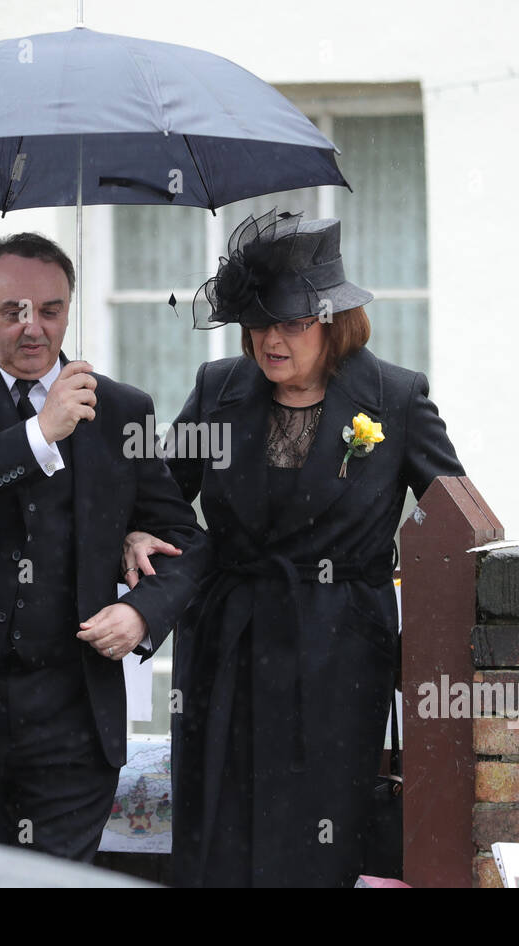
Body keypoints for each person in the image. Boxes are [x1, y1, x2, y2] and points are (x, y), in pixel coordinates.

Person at [126, 210, 466, 887]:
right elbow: (162, 493)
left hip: (337, 648)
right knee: (217, 826)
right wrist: (137, 527)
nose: (269, 339)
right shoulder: (217, 388)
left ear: (333, 323)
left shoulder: (395, 399)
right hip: (228, 640)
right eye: (257, 322)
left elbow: (457, 520)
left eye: (289, 323)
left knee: (316, 834)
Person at [0, 232, 208, 862]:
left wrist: (143, 612)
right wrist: (40, 434)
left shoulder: (122, 409)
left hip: (73, 725)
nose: (32, 328)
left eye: (51, 310)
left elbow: (187, 543)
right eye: (12, 311)